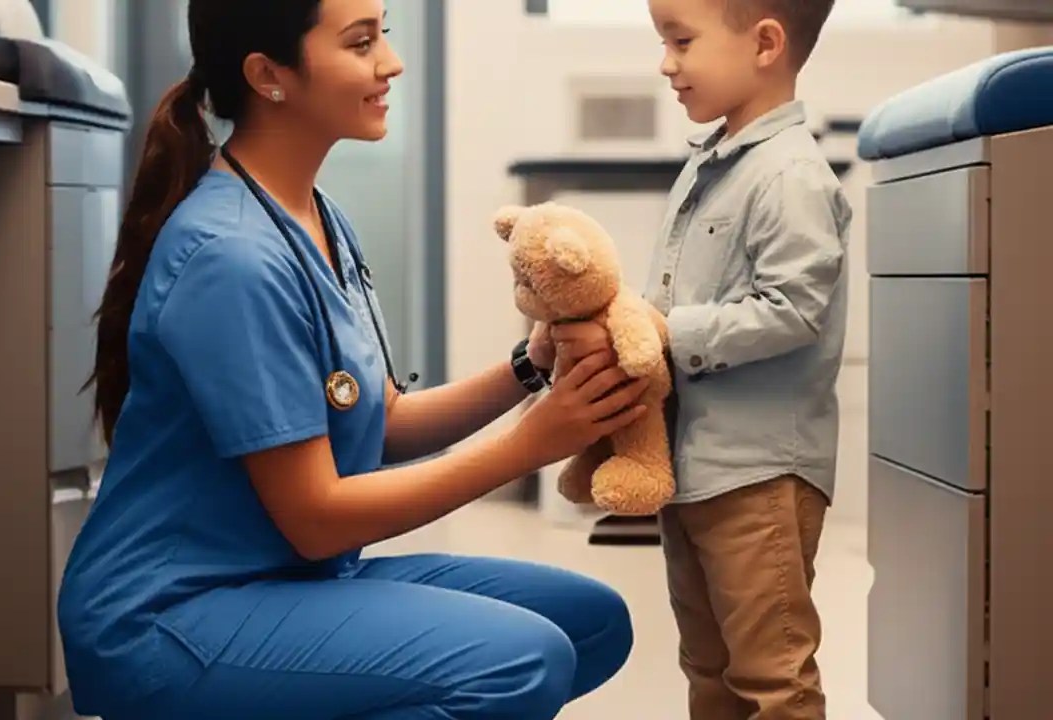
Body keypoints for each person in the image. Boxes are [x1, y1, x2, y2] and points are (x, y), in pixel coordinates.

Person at [56, 1, 650, 718]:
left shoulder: (315, 216)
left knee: (590, 622)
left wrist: (531, 365)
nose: (391, 63)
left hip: (281, 580)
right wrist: (531, 444)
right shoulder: (230, 258)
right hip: (171, 616)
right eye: (361, 43)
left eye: (383, 36)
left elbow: (379, 418)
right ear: (269, 76)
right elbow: (317, 518)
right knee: (524, 660)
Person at [642, 0, 851, 718]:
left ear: (765, 44)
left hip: (759, 476)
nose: (666, 63)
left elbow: (793, 309)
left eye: (681, 41)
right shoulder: (712, 165)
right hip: (694, 468)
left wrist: (663, 331)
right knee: (708, 667)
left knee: (772, 678)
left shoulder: (790, 176)